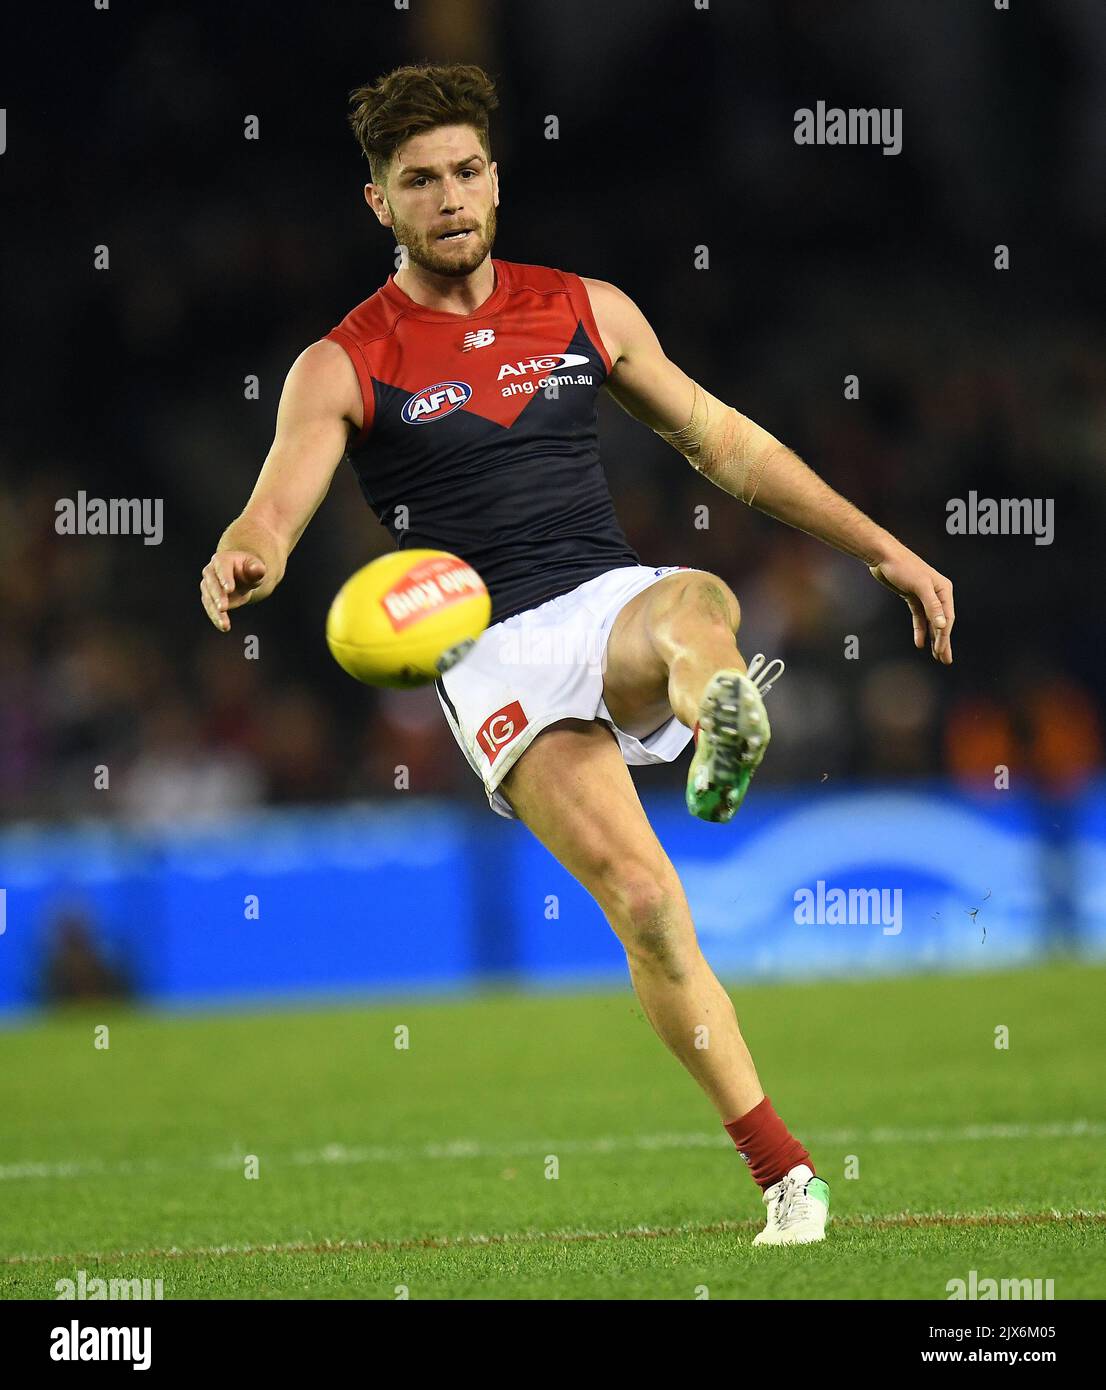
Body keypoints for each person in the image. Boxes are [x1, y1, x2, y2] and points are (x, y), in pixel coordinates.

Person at [199, 63, 955, 1245]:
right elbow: (275, 506)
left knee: (693, 596)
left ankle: (717, 726)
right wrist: (246, 552)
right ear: (378, 205)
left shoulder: (584, 309)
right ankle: (783, 1176)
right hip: (486, 652)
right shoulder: (341, 361)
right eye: (418, 182)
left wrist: (879, 549)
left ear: (495, 178)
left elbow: (725, 444)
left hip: (606, 600)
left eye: (465, 172)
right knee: (647, 901)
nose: (448, 198)